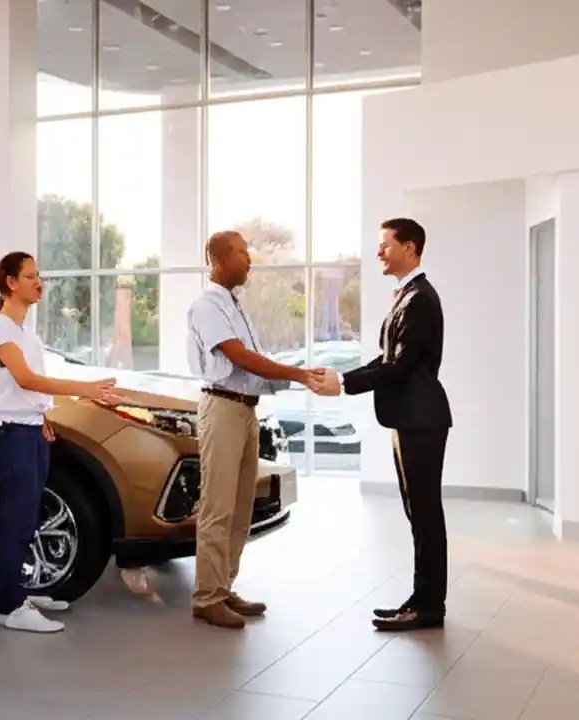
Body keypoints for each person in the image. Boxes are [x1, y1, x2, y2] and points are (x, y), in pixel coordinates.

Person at [311, 218, 452, 632]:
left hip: (421, 420)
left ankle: (427, 606)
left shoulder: (420, 299)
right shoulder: (407, 296)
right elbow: (386, 359)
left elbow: (400, 367)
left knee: (425, 515)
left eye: (385, 244)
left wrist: (344, 384)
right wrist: (342, 378)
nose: (378, 252)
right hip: (410, 419)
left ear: (409, 248)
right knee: (419, 513)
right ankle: (423, 600)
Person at [0, 251, 124, 634]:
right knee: (15, 517)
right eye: (30, 276)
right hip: (11, 434)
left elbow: (27, 388)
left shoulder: (27, 332)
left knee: (29, 516)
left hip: (29, 430)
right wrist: (86, 389)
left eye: (38, 275)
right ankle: (6, 605)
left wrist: (42, 418)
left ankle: (15, 591)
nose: (38, 282)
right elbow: (25, 379)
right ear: (11, 282)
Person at [187, 230, 321, 630]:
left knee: (241, 505)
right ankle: (207, 597)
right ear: (220, 259)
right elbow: (240, 356)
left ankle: (223, 587)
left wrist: (286, 378)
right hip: (223, 409)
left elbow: (254, 361)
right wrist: (297, 374)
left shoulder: (234, 304)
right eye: (243, 253)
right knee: (218, 506)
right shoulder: (207, 305)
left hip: (245, 412)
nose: (249, 260)